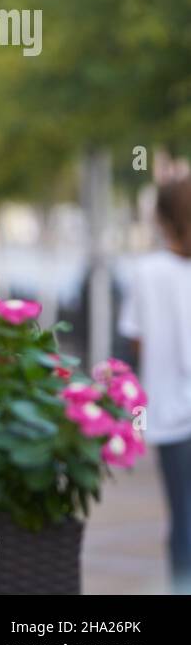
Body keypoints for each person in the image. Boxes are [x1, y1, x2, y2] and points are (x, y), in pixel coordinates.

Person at [118, 175, 191, 594]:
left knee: (182, 521)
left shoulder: (146, 272)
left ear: (161, 217)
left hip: (170, 413)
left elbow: (135, 340)